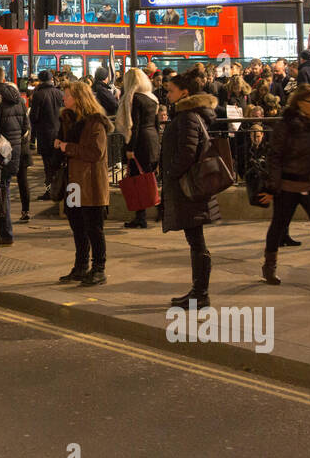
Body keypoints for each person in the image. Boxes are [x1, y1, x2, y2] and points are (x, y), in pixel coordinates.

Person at [257, 84, 310, 285]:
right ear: (300, 103)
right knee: (279, 226)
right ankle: (269, 266)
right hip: (288, 186)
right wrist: (271, 188)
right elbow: (275, 157)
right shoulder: (286, 125)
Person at [161, 70, 221, 309]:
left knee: (197, 241)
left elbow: (187, 152)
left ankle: (201, 293)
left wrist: (170, 174)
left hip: (189, 189)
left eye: (171, 90)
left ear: (184, 93)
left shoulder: (187, 118)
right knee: (195, 240)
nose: (168, 94)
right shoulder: (190, 115)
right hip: (190, 187)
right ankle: (198, 291)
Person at [54, 81, 111, 286]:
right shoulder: (70, 120)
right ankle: (80, 266)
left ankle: (99, 268)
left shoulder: (95, 123)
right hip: (73, 183)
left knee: (93, 227)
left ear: (79, 98)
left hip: (90, 184)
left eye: (67, 95)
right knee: (77, 225)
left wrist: (67, 147)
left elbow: (96, 153)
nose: (64, 98)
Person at [0, 65, 28, 246]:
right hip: (15, 150)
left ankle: (5, 233)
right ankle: (3, 232)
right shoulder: (18, 99)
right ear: (4, 78)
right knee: (5, 188)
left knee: (0, 192)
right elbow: (26, 126)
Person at [120, 68, 160, 228]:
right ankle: (156, 209)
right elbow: (156, 124)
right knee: (149, 177)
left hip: (140, 141)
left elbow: (134, 126)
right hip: (152, 139)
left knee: (137, 179)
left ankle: (141, 217)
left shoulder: (134, 98)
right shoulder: (152, 98)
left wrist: (130, 148)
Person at [29, 70, 64, 199]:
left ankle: (50, 191)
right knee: (58, 163)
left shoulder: (39, 95)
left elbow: (34, 117)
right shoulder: (60, 93)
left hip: (45, 134)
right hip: (59, 133)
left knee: (48, 166)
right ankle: (59, 190)